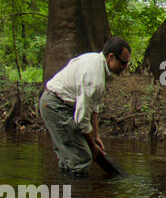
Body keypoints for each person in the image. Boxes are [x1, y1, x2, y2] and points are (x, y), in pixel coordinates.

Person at [38, 37, 132, 176]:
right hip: (55, 106)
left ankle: (63, 190)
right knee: (81, 158)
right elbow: (81, 119)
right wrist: (92, 146)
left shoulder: (96, 62)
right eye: (123, 63)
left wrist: (96, 136)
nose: (125, 67)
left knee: (69, 158)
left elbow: (93, 107)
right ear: (111, 57)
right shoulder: (94, 77)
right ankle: (78, 195)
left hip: (60, 104)